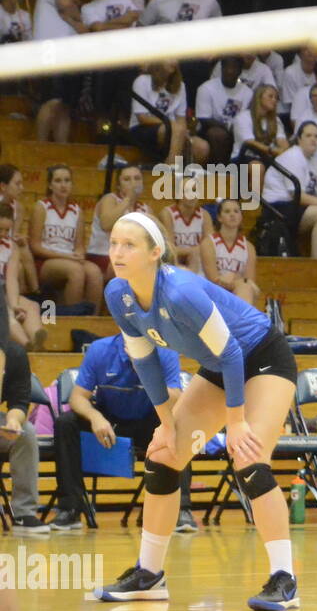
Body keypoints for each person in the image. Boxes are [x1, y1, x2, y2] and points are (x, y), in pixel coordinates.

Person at [94, 212, 302, 610]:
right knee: (164, 455)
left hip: (262, 359)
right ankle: (149, 574)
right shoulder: (117, 294)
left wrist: (237, 422)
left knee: (250, 460)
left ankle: (284, 578)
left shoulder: (180, 292)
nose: (117, 252)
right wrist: (167, 424)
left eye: (129, 245)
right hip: (221, 366)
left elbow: (232, 353)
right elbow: (145, 362)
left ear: (156, 253)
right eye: (114, 243)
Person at [50, 333, 198, 533]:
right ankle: (70, 508)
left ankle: (181, 510)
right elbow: (77, 397)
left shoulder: (166, 351)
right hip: (110, 422)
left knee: (178, 426)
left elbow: (175, 401)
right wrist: (95, 417)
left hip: (149, 422)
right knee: (65, 423)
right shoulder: (100, 349)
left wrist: (145, 370)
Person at [262, 121, 317, 258]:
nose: (313, 139)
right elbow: (299, 197)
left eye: (316, 136)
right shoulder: (293, 156)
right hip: (277, 208)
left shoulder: (315, 159)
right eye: (308, 135)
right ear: (299, 139)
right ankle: (316, 261)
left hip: (297, 207)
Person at [31, 164, 104, 308]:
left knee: (95, 273)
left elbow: (79, 246)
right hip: (45, 261)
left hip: (69, 258)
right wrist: (68, 257)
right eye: (58, 181)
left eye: (67, 180)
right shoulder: (41, 207)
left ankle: (89, 322)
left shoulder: (77, 211)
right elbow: (35, 246)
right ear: (50, 185)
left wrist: (79, 254)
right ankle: (72, 319)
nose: (63, 185)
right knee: (76, 270)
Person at [32, 0, 87, 144]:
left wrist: (72, 18)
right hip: (50, 52)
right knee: (52, 99)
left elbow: (84, 30)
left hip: (71, 58)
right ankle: (40, 145)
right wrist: (73, 11)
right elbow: (65, 5)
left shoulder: (75, 7)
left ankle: (61, 149)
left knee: (65, 105)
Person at [0, 342, 43, 537]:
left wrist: (13, 421)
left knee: (25, 432)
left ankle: (23, 513)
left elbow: (19, 401)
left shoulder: (13, 353)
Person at [130, 62, 206, 164]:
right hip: (142, 128)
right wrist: (172, 125)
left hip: (173, 129)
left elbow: (181, 119)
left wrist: (182, 132)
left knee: (202, 147)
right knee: (177, 129)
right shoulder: (142, 81)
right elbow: (142, 117)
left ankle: (191, 175)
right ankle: (171, 170)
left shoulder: (181, 86)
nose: (173, 61)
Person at [87, 164, 151, 278]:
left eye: (137, 178)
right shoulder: (110, 199)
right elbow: (106, 224)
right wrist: (127, 200)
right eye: (127, 179)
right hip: (102, 255)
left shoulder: (145, 208)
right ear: (118, 185)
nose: (133, 183)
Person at [0, 203, 45, 348]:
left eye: (7, 230)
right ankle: (25, 344)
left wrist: (15, 305)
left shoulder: (11, 246)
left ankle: (36, 339)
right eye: (0, 229)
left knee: (31, 306)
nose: (3, 234)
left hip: (4, 290)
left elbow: (11, 278)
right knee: (5, 312)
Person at [195, 56, 252, 163]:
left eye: (234, 68)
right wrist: (227, 127)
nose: (230, 71)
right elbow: (204, 119)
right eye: (227, 67)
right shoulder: (206, 88)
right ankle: (219, 173)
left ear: (240, 71)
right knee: (218, 134)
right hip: (209, 130)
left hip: (237, 131)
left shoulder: (248, 92)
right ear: (221, 68)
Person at [208, 198, 260, 306]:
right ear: (219, 217)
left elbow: (249, 281)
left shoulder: (249, 247)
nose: (232, 214)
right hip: (214, 292)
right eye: (227, 211)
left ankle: (243, 320)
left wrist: (233, 280)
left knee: (247, 288)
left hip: (238, 291)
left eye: (236, 211)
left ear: (241, 217)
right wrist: (234, 279)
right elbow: (212, 279)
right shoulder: (209, 243)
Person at [0, 165, 40, 303]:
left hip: (7, 248)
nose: (21, 188)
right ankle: (32, 295)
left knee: (22, 248)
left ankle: (33, 294)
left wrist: (18, 238)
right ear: (3, 186)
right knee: (19, 266)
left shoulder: (18, 208)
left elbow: (12, 234)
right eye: (17, 184)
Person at [162, 193, 214, 278]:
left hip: (197, 263)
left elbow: (211, 248)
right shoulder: (167, 214)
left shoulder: (205, 215)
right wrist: (191, 251)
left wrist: (191, 253)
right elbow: (170, 249)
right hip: (174, 261)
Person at [232, 83, 288, 160]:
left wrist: (285, 151)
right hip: (243, 158)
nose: (274, 100)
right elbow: (250, 143)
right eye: (270, 96)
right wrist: (273, 151)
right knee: (257, 167)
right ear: (259, 97)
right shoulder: (243, 117)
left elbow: (281, 140)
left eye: (276, 98)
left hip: (268, 158)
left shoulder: (276, 120)